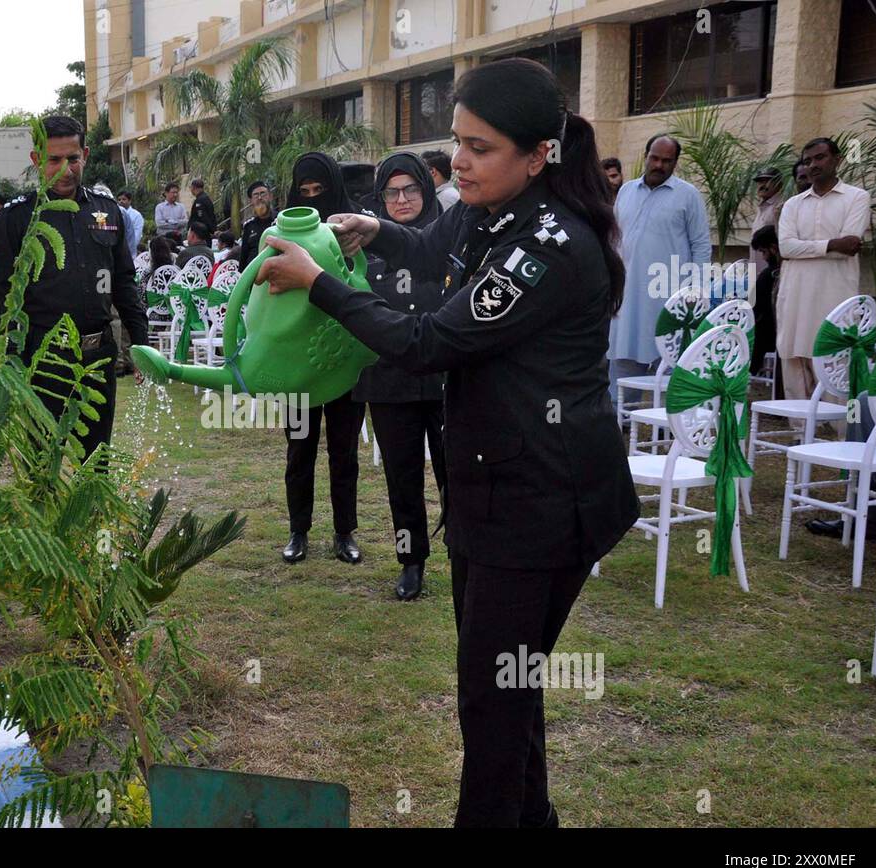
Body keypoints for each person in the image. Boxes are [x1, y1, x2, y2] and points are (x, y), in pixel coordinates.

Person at [256, 58, 638, 827]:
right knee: (508, 690)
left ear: (538, 156)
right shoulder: (486, 208)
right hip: (489, 490)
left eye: (481, 146)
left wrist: (321, 286)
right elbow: (437, 251)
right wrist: (379, 231)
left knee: (492, 701)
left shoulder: (549, 248)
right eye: (457, 141)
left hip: (539, 504)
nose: (459, 161)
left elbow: (432, 339)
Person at [0, 115, 147, 457]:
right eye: (54, 160)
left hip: (98, 356)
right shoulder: (15, 219)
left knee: (96, 460)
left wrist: (142, 344)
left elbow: (124, 283)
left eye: (72, 159)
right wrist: (12, 362)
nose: (65, 168)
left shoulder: (108, 212)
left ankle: (92, 510)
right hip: (41, 361)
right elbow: (2, 299)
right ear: (37, 160)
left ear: (85, 155)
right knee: (41, 461)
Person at [352, 152, 449, 601]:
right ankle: (411, 561)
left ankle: (464, 549)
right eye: (391, 192)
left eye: (411, 189)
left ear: (426, 191)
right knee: (402, 477)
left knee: (459, 470)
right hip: (389, 377)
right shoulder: (364, 244)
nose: (402, 199)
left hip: (448, 374)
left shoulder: (451, 235)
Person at [278, 152, 368, 566]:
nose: (313, 203)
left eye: (321, 193)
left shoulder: (353, 230)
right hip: (297, 362)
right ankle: (299, 530)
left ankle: (344, 531)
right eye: (304, 193)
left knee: (344, 450)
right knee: (300, 450)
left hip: (342, 357)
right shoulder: (281, 231)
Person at [607, 134, 710, 402]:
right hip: (627, 294)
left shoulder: (688, 195)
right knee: (623, 351)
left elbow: (700, 245)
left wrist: (696, 293)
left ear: (675, 163)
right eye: (654, 158)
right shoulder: (626, 191)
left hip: (668, 295)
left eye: (667, 160)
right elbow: (613, 239)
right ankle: (620, 416)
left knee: (668, 354)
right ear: (645, 156)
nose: (659, 165)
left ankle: (667, 422)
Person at [775, 137, 871, 402]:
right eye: (808, 161)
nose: (813, 165)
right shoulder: (793, 204)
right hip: (795, 294)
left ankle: (841, 432)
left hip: (834, 295)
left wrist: (810, 247)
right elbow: (786, 248)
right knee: (793, 357)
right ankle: (799, 432)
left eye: (820, 158)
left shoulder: (857, 198)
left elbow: (848, 248)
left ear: (837, 159)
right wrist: (831, 244)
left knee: (837, 357)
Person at [749, 224, 780, 377]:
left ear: (773, 248)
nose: (763, 257)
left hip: (767, 338)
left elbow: (755, 309)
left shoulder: (769, 275)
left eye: (763, 251)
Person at [750, 166, 785, 273]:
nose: (762, 185)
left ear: (779, 183)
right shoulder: (762, 207)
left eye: (767, 181)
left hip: (772, 272)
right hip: (757, 271)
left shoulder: (780, 207)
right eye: (760, 182)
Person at [240, 180, 277, 271]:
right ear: (251, 201)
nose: (259, 197)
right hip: (254, 276)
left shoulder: (280, 221)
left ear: (270, 197)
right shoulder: (248, 226)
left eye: (263, 194)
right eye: (256, 195)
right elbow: (243, 256)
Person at [118, 190, 144, 254]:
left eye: (124, 199)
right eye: (119, 200)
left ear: (130, 201)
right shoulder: (114, 213)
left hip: (130, 250)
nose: (121, 201)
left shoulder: (136, 215)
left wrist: (129, 249)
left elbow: (137, 235)